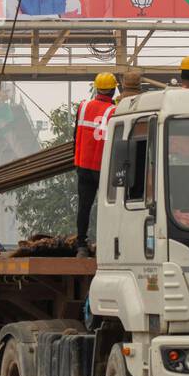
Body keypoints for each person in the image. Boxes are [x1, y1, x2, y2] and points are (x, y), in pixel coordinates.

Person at [72, 72, 118, 258]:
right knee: (108, 206)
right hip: (103, 168)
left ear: (96, 88)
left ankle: (81, 245)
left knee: (84, 206)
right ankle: (107, 245)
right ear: (113, 90)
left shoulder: (83, 107)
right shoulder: (114, 112)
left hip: (83, 165)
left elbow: (76, 136)